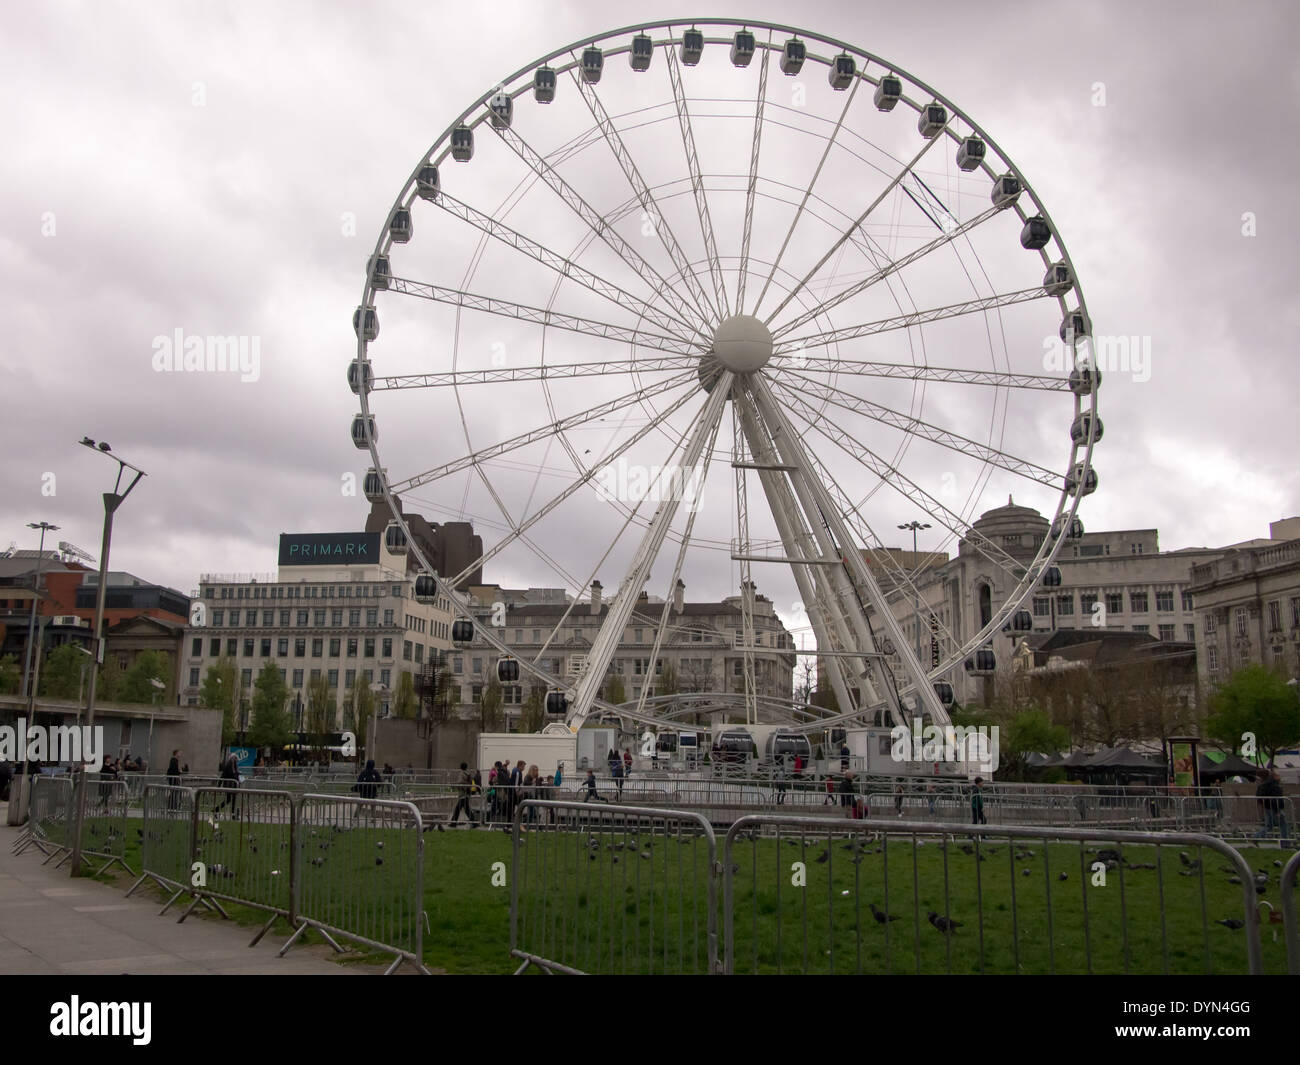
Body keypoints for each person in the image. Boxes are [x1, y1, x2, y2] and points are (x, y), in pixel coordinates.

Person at [450, 762, 476, 826]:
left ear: (460, 767)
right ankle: (453, 822)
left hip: (462, 793)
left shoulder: (461, 774)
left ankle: (474, 822)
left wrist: (455, 786)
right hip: (467, 793)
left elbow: (460, 782)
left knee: (460, 809)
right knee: (460, 809)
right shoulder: (468, 774)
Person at [218, 751, 240, 817]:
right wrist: (218, 785)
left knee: (232, 800)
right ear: (233, 758)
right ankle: (216, 810)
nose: (236, 760)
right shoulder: (229, 764)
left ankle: (233, 814)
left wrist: (238, 774)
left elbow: (234, 773)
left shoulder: (233, 765)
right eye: (235, 758)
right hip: (230, 785)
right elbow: (228, 774)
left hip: (232, 785)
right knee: (229, 800)